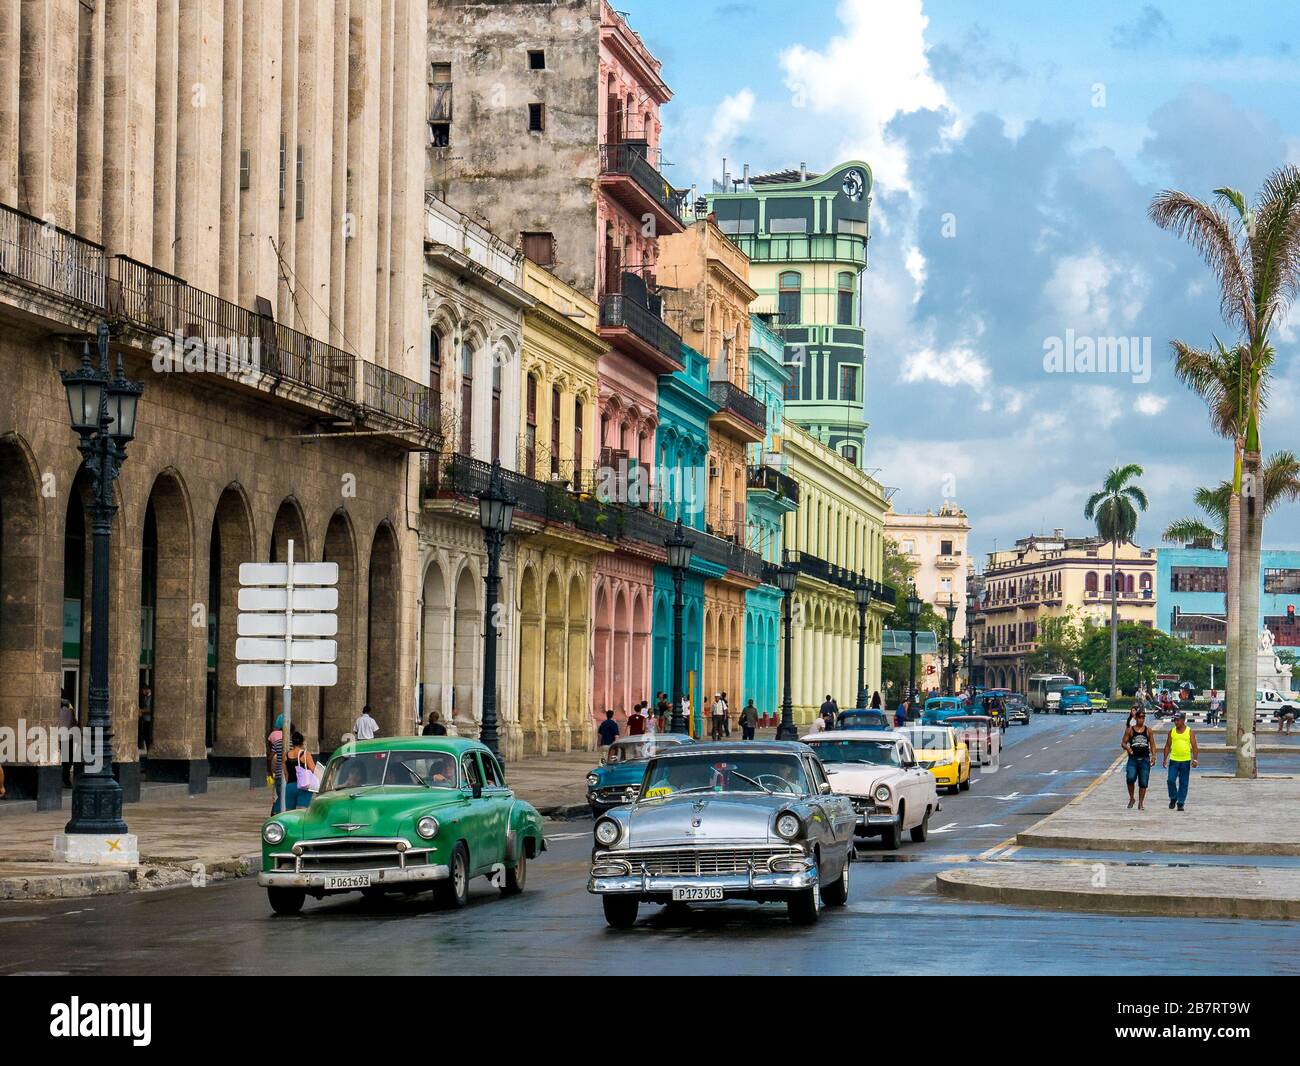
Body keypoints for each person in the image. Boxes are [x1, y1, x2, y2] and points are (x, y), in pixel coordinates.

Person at [1161, 710, 1198, 811]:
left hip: (1185, 761)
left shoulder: (1189, 731)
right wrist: (1165, 759)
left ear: (1183, 720)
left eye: (1178, 720)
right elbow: (1167, 746)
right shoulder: (1172, 732)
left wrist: (1195, 759)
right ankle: (1173, 797)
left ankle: (1180, 803)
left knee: (1183, 782)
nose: (1176, 722)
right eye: (1175, 720)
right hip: (1174, 760)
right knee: (1170, 780)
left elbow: (1194, 746)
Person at [1121, 709, 1155, 810]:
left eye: (1143, 718)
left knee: (1143, 782)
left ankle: (1141, 803)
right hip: (1133, 759)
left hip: (1144, 759)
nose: (1141, 720)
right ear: (1135, 718)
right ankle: (1132, 798)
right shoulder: (1130, 730)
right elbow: (1123, 743)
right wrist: (1128, 748)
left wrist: (1153, 756)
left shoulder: (1148, 731)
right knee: (1130, 778)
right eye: (1139, 717)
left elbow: (1152, 744)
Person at [283, 730, 316, 810]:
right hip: (304, 786)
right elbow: (313, 770)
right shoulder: (306, 754)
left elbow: (286, 774)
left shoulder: (285, 755)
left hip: (290, 786)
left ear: (292, 743)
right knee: (302, 813)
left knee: (289, 813)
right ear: (302, 742)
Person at [267, 713, 285, 814]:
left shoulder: (273, 735)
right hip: (283, 765)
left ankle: (275, 810)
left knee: (279, 793)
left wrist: (269, 772)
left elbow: (270, 752)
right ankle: (275, 811)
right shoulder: (289, 737)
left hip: (275, 763)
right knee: (283, 794)